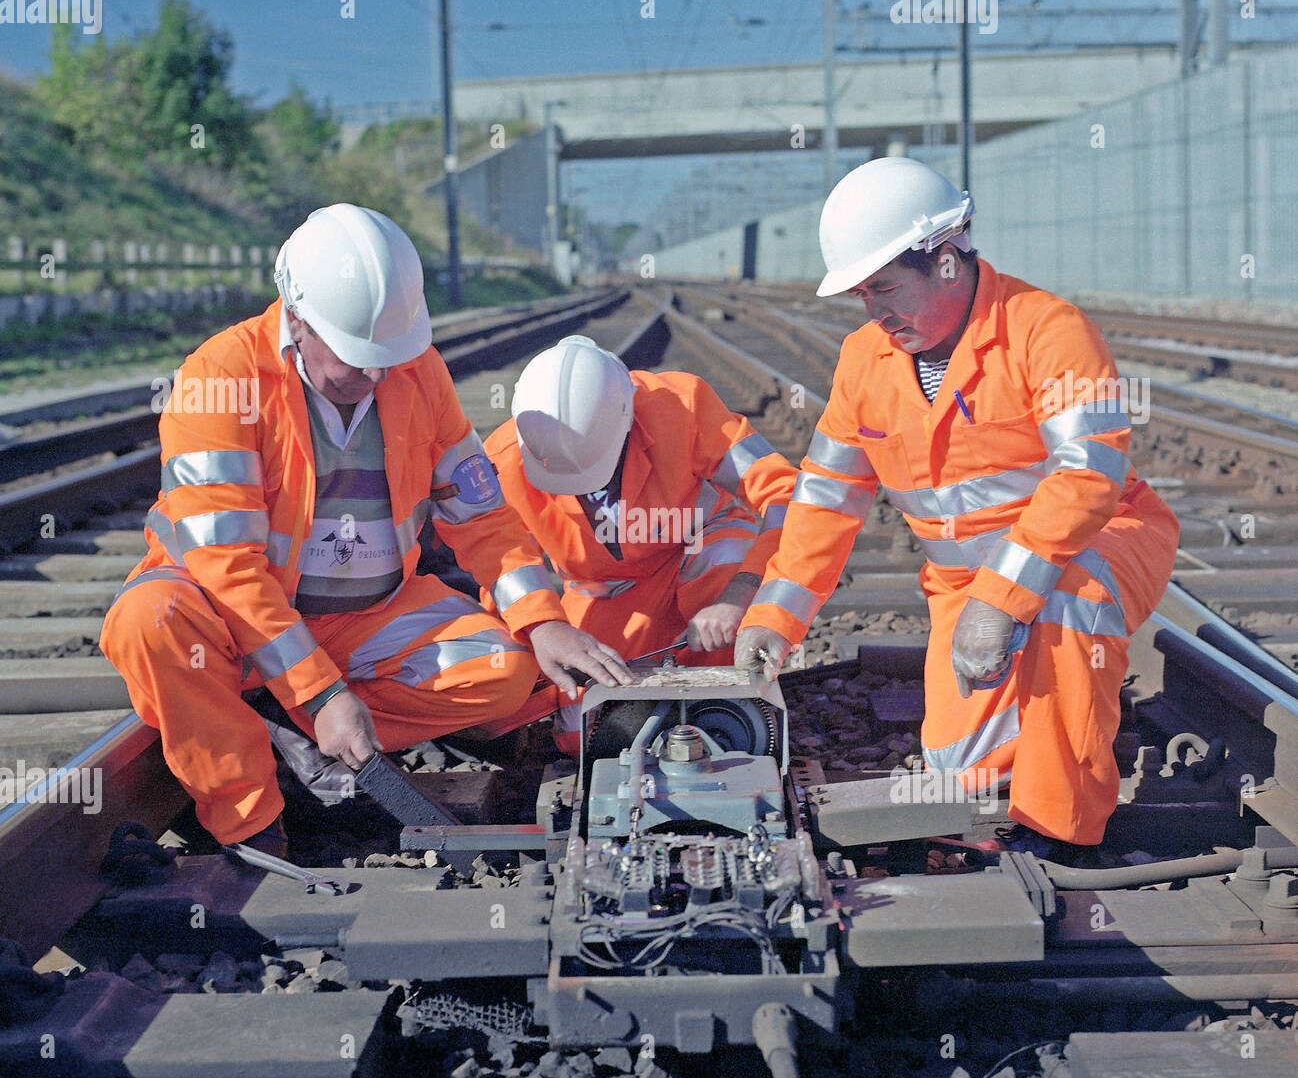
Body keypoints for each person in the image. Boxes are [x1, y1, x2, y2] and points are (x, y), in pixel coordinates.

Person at [101, 204, 629, 858]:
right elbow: (227, 566)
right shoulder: (220, 382)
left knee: (503, 671)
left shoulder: (416, 372)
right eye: (358, 358)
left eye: (389, 357)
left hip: (359, 620)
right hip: (230, 625)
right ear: (297, 318)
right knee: (148, 620)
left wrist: (541, 618)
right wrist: (321, 693)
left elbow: (482, 515)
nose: (377, 376)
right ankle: (253, 823)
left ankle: (286, 728)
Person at [735, 158, 1179, 863]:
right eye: (861, 294)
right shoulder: (864, 360)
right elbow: (826, 498)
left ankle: (1063, 836)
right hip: (963, 587)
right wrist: (774, 618)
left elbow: (1089, 473)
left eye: (885, 287)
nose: (875, 311)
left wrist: (1001, 599)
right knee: (959, 769)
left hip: (1094, 545)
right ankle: (1033, 753)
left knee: (1070, 601)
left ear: (946, 259)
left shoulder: (1047, 330)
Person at [482, 335, 799, 753]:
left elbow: (789, 495)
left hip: (699, 550)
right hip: (606, 588)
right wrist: (543, 627)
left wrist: (744, 591)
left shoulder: (682, 406)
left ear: (627, 418)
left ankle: (738, 690)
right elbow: (498, 560)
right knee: (584, 734)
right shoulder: (502, 457)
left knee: (726, 565)